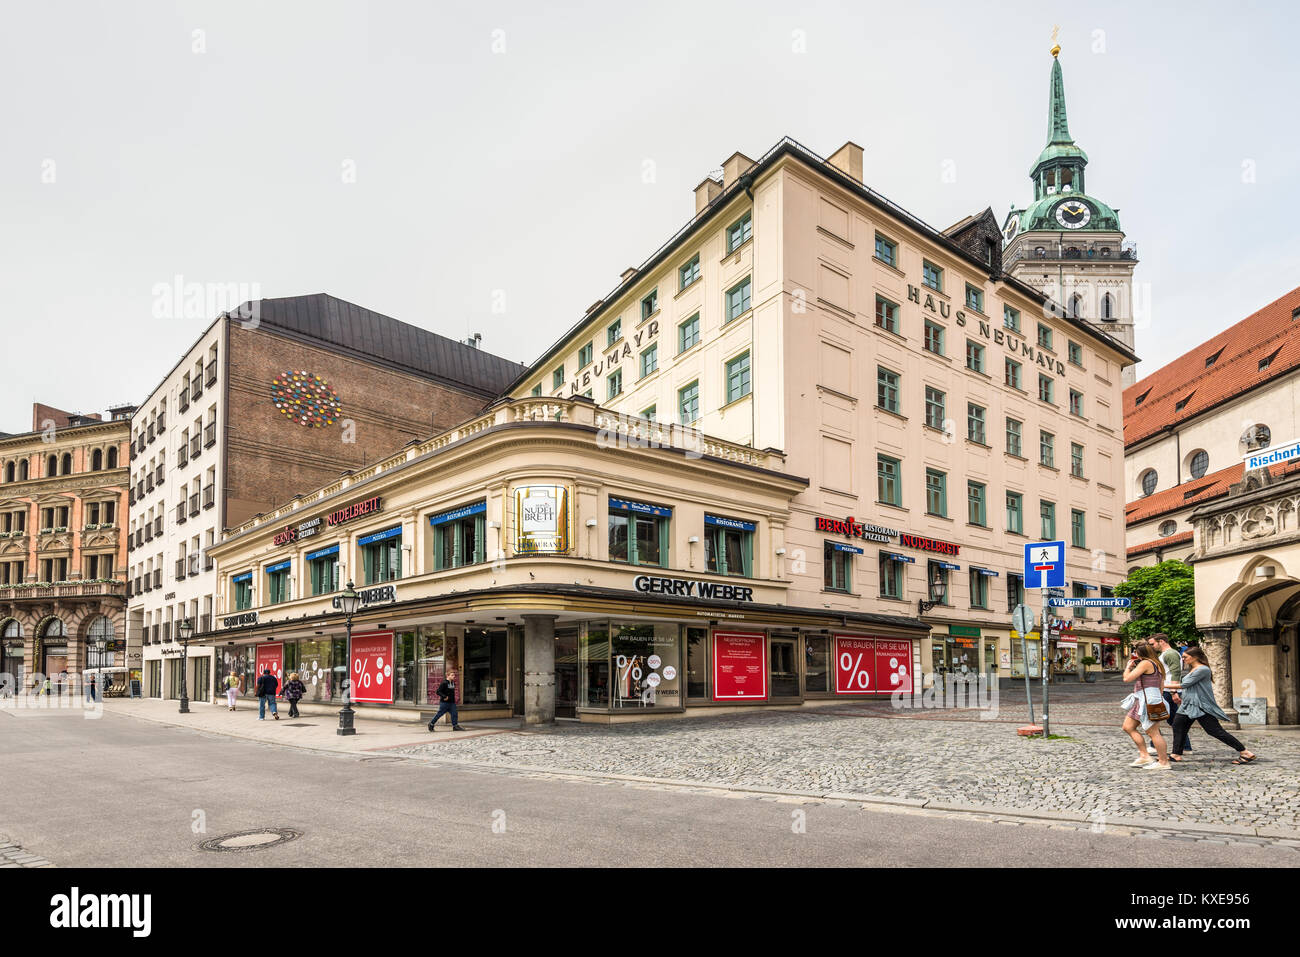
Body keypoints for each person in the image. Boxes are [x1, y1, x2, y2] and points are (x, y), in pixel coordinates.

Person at [1167, 645, 1258, 765]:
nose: (1183, 659)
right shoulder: (1193, 669)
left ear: (1194, 657)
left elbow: (1185, 685)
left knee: (1214, 731)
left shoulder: (1202, 669)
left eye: (1185, 657)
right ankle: (1176, 754)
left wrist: (1161, 685)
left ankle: (1245, 752)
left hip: (1200, 705)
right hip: (1188, 705)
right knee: (1178, 725)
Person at [1121, 640, 1171, 770]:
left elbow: (1127, 678)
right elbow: (1161, 685)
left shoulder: (1145, 663)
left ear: (1139, 653)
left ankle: (1163, 762)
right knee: (1128, 727)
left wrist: (1128, 667)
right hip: (1145, 699)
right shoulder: (1157, 664)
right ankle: (1144, 756)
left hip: (1147, 701)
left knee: (1153, 732)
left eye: (1135, 652)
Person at [1149, 634, 1190, 753]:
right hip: (1166, 690)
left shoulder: (1170, 653)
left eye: (1153, 644)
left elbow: (1175, 673)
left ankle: (1155, 744)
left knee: (1159, 717)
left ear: (1161, 641)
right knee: (1172, 720)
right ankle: (1185, 746)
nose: (1151, 647)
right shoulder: (1165, 654)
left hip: (1169, 690)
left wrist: (1174, 692)